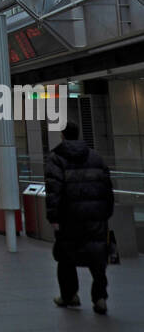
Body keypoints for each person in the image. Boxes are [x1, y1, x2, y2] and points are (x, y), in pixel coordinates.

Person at [45, 120, 114, 314]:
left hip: (69, 217)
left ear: (63, 136)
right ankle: (100, 297)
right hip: (95, 216)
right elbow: (107, 188)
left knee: (65, 257)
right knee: (98, 257)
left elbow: (54, 190)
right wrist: (106, 212)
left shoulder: (56, 158)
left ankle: (69, 295)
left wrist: (53, 217)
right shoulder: (96, 157)